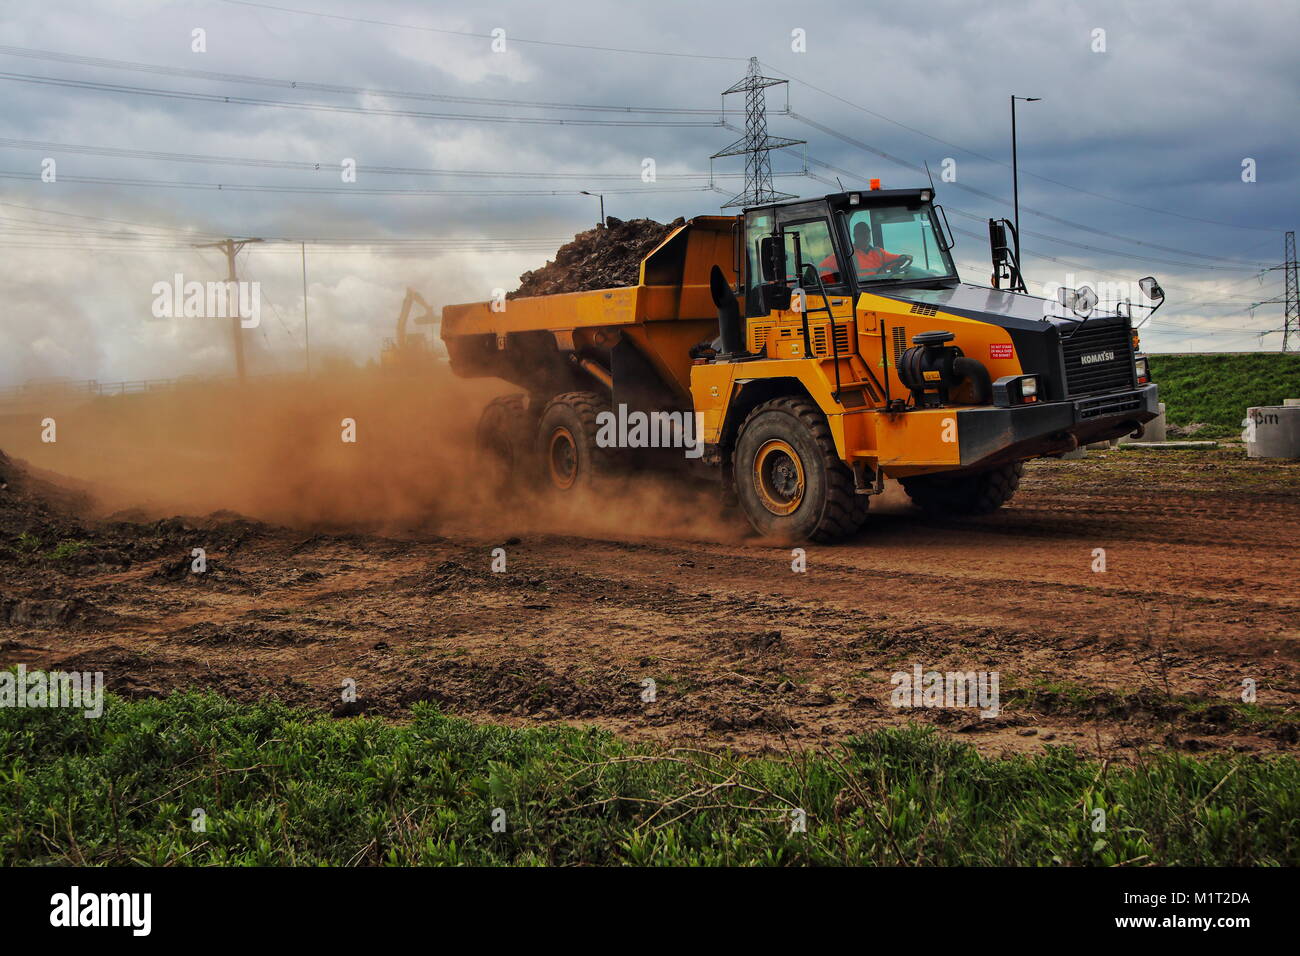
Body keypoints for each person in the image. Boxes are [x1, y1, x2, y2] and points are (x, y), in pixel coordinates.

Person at [820, 221, 906, 280]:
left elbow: (897, 259)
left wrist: (904, 257)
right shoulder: (847, 253)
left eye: (867, 232)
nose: (865, 235)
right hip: (861, 292)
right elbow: (825, 265)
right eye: (861, 233)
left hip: (881, 288)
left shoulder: (879, 252)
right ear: (855, 235)